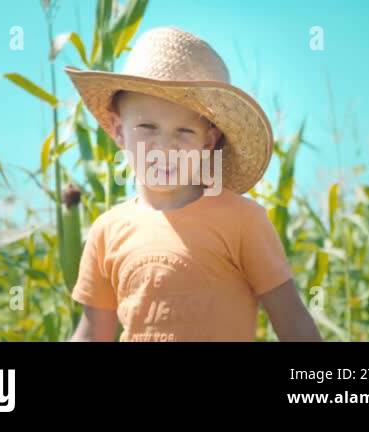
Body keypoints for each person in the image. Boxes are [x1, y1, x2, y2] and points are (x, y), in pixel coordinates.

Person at [64, 26, 322, 342]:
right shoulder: (106, 231)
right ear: (119, 131)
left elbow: (293, 323)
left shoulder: (243, 221)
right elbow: (92, 335)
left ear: (208, 141)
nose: (165, 146)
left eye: (184, 132)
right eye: (147, 127)